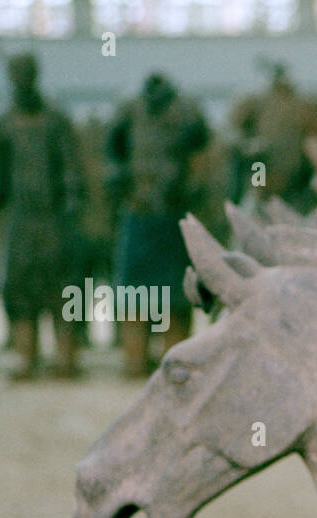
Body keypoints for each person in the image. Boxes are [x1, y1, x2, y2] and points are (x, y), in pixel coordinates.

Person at [0, 53, 84, 379]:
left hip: (54, 216)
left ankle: (66, 357)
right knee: (18, 288)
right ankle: (27, 357)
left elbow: (71, 163)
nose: (22, 78)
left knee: (63, 286)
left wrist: (72, 198)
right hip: (20, 217)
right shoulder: (1, 123)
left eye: (27, 72)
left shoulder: (56, 119)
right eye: (17, 73)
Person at [106, 72, 209, 377]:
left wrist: (192, 187)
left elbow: (201, 152)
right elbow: (113, 152)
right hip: (138, 215)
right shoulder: (128, 109)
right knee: (133, 299)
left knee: (176, 299)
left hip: (173, 217)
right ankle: (134, 363)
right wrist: (121, 186)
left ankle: (174, 365)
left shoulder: (188, 110)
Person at [228, 63, 317, 215]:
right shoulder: (253, 100)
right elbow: (231, 132)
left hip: (296, 181)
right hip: (260, 169)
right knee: (256, 209)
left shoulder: (307, 103)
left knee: (297, 219)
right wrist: (248, 145)